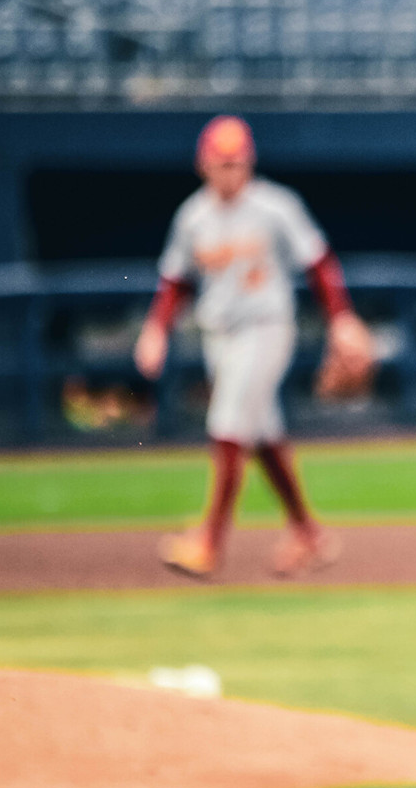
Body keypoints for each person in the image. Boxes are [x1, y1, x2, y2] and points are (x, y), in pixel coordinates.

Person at [133, 114, 374, 578]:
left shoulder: (275, 206)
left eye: (237, 163)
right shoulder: (193, 216)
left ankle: (209, 542)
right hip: (219, 334)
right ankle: (309, 534)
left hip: (265, 327)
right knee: (262, 434)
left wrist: (341, 318)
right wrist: (156, 328)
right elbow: (176, 280)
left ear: (249, 162)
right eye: (222, 163)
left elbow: (319, 263)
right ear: (204, 164)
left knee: (227, 423)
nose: (230, 172)